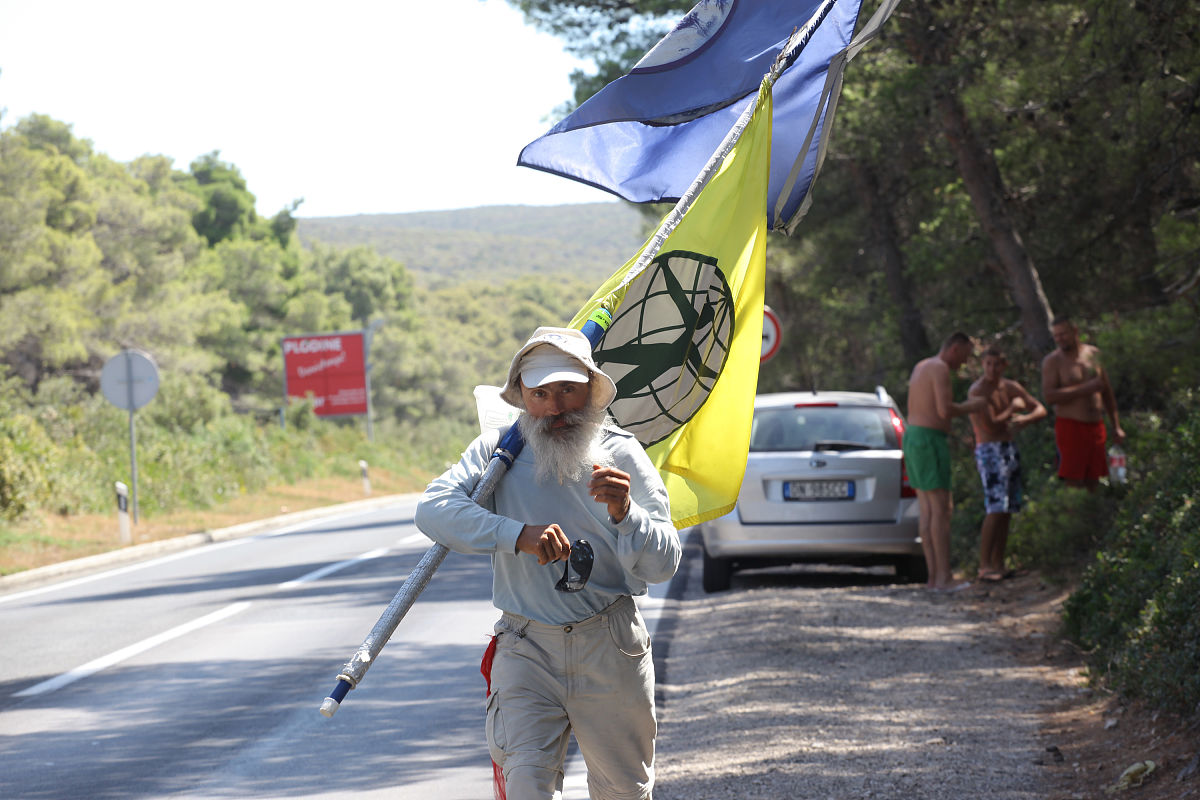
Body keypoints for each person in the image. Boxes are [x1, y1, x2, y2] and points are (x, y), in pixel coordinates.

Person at [415, 326, 681, 800]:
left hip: (611, 644)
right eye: (540, 393)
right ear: (521, 396)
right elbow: (433, 510)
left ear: (590, 391)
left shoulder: (621, 453)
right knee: (526, 787)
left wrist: (626, 515)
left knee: (624, 791)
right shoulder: (497, 453)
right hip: (525, 646)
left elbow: (663, 563)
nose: (555, 407)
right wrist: (517, 535)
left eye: (566, 390)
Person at [903, 332, 987, 592]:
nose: (964, 362)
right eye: (965, 355)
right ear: (955, 348)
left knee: (928, 510)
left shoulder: (922, 365)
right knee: (941, 509)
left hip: (913, 438)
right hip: (929, 441)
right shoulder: (939, 368)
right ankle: (945, 579)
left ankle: (933, 578)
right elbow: (944, 410)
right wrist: (975, 405)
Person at [967, 346, 1047, 581]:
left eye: (996, 364)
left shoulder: (1010, 387)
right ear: (982, 364)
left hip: (1009, 448)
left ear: (1004, 365)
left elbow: (1039, 408)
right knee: (995, 507)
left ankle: (998, 563)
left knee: (1008, 508)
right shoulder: (978, 391)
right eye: (988, 363)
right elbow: (990, 425)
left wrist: (1025, 419)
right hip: (989, 450)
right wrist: (1012, 408)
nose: (992, 369)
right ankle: (984, 565)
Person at [1040, 316, 1126, 489]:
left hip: (1096, 426)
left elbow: (1106, 391)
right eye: (1056, 336)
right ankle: (1073, 513)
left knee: (1095, 480)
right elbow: (1049, 397)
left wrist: (1116, 425)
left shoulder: (1093, 354)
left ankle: (1093, 514)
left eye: (1063, 334)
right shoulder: (1053, 361)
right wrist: (1084, 388)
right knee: (1074, 482)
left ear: (1075, 331)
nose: (1060, 339)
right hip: (1070, 427)